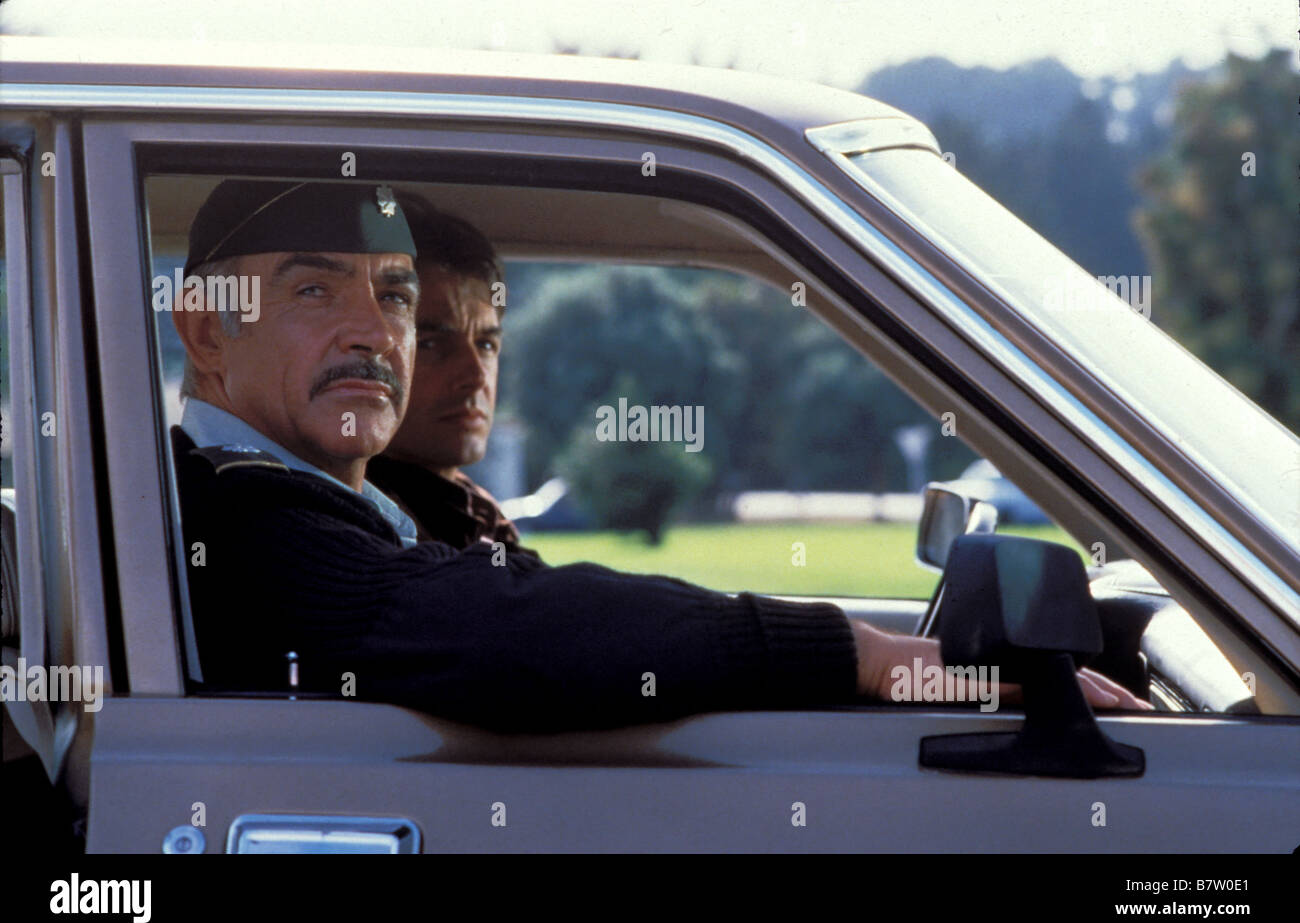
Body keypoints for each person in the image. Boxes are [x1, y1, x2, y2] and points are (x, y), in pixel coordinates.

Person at [170, 178, 1148, 732]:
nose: (372, 332)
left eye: (390, 294)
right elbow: (496, 624)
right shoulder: (241, 523)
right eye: (313, 291)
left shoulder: (352, 509)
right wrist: (866, 654)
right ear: (206, 332)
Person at [364, 195, 534, 558]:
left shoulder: (474, 512)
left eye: (486, 345)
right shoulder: (373, 524)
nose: (475, 377)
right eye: (430, 344)